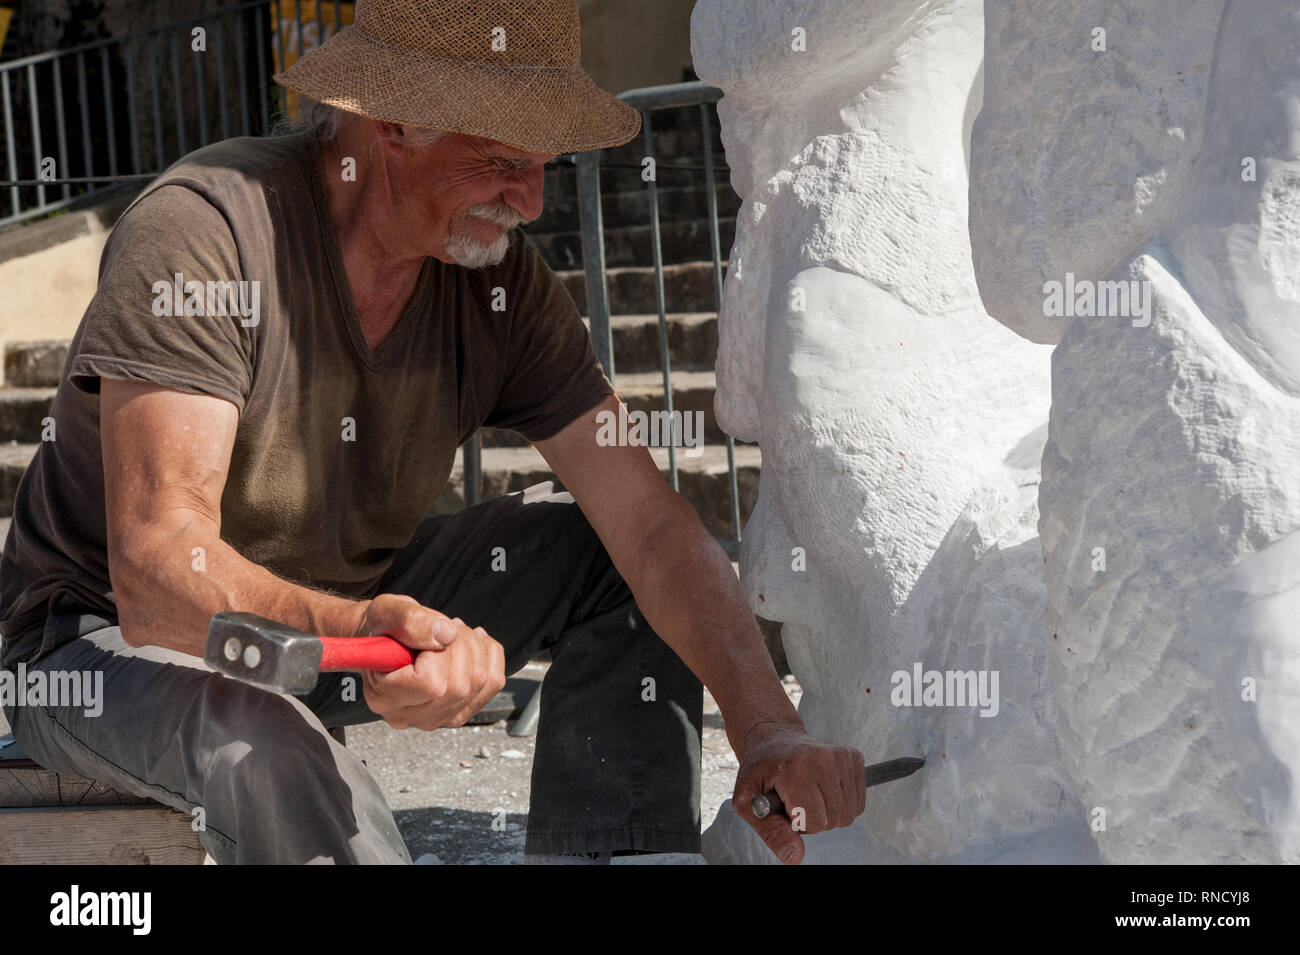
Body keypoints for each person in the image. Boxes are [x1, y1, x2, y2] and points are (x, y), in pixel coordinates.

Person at [0, 0, 865, 864]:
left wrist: (765, 729)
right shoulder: (205, 233)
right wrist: (359, 632)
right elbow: (158, 570)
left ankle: (614, 855)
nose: (527, 200)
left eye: (542, 167)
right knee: (265, 734)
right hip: (101, 643)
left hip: (342, 612)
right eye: (500, 161)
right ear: (394, 123)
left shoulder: (499, 289)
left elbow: (644, 520)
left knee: (607, 552)